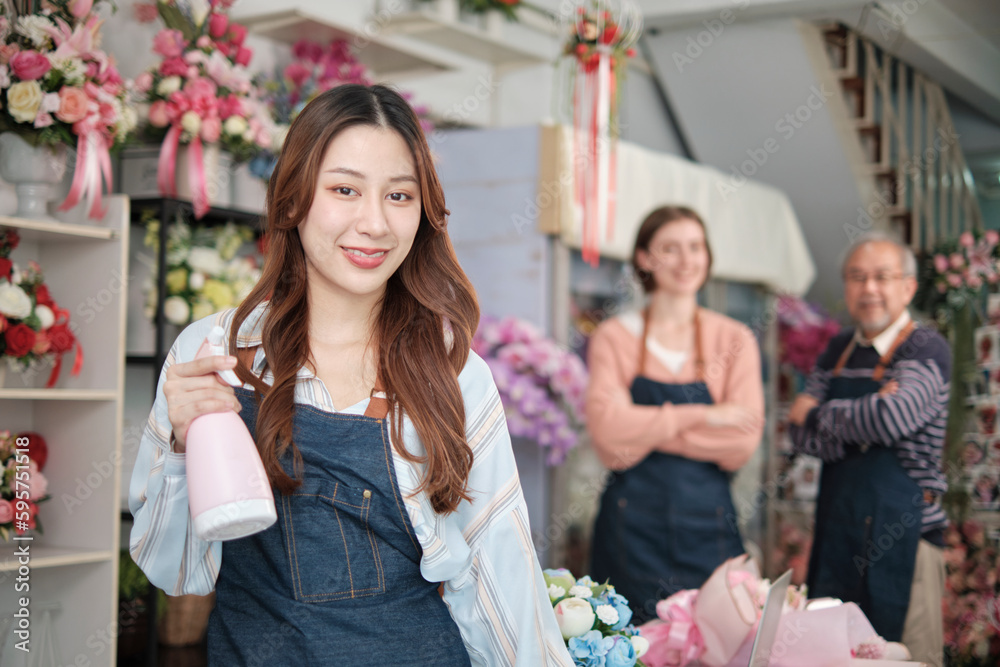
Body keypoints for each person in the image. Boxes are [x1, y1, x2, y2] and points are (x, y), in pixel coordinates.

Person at [129, 84, 573, 666]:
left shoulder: (452, 372)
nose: (375, 223)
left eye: (399, 196)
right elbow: (177, 571)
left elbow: (499, 571)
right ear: (292, 201)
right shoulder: (217, 354)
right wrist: (183, 446)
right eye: (345, 189)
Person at [585, 205, 765, 622]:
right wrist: (704, 417)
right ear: (645, 258)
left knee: (717, 644)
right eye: (670, 248)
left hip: (710, 528)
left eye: (695, 247)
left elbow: (740, 444)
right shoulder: (615, 337)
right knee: (632, 648)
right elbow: (610, 442)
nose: (687, 261)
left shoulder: (734, 339)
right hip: (630, 531)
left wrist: (642, 426)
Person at [787, 232, 949, 667]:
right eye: (857, 277)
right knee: (832, 656)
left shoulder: (926, 347)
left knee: (907, 659)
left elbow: (893, 417)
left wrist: (820, 413)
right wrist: (868, 411)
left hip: (908, 539)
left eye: (882, 276)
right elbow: (798, 435)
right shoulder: (838, 349)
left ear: (908, 287)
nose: (869, 288)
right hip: (837, 534)